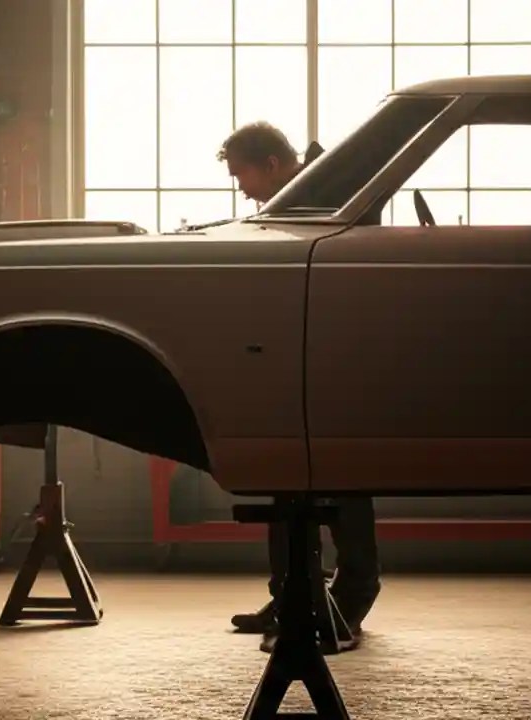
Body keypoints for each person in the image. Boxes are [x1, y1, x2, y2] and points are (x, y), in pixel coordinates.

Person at [216, 121, 383, 650]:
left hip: (339, 351)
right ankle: (291, 595)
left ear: (270, 165)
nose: (242, 189)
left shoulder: (336, 188)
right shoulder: (298, 198)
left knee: (344, 479)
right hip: (298, 349)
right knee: (287, 474)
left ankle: (351, 599)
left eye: (242, 176)